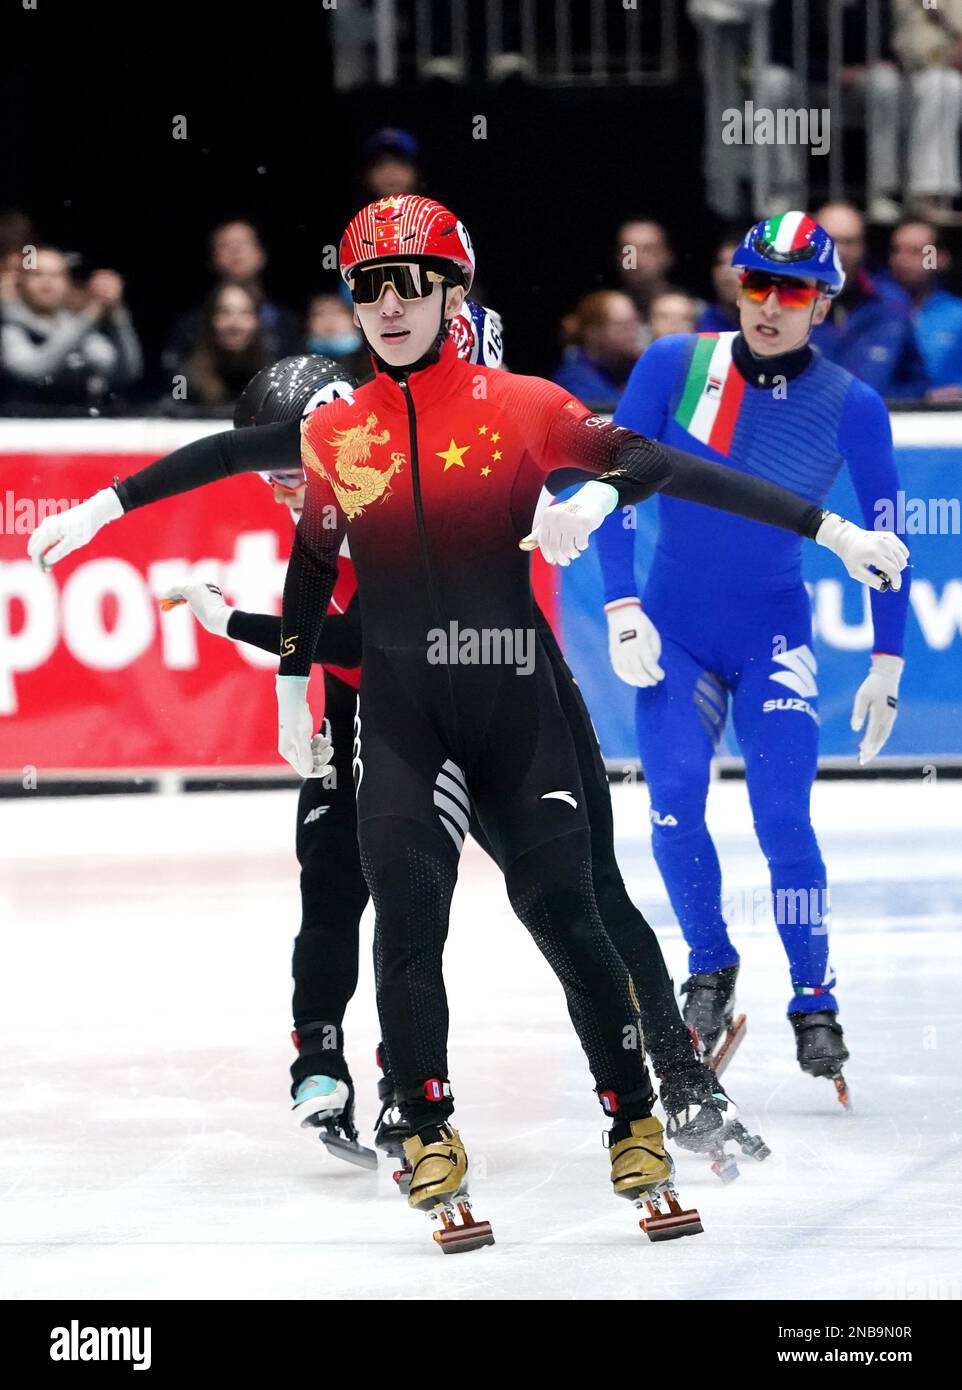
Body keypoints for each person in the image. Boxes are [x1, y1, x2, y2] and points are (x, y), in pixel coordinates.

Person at [272, 196, 904, 1241]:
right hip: (399, 705)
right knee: (403, 905)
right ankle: (409, 1104)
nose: (388, 305)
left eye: (410, 284)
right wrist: (302, 691)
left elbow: (654, 464)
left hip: (517, 685)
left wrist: (821, 529)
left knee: (577, 902)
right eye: (368, 287)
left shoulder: (514, 400)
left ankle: (658, 1091)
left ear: (452, 296)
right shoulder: (338, 431)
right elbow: (311, 582)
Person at [593, 211, 912, 1106]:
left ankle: (814, 996)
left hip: (774, 637)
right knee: (671, 807)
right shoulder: (671, 365)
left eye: (794, 291)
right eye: (757, 284)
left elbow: (884, 540)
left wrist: (889, 661)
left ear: (825, 304)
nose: (770, 306)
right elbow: (610, 478)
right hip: (676, 633)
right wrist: (620, 603)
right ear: (737, 285)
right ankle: (709, 965)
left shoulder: (854, 404)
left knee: (784, 820)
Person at [811, 203, 928, 400]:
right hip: (809, 427)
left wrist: (876, 407)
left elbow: (916, 385)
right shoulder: (787, 304)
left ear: (863, 247)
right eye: (830, 241)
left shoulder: (893, 306)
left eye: (849, 242)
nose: (840, 251)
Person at [1, 246, 143, 409]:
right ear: (21, 282)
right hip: (24, 425)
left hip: (80, 424)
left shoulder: (76, 325)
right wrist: (91, 314)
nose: (47, 281)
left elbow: (126, 372)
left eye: (55, 275)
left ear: (67, 282)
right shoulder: (10, 327)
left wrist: (117, 314)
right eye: (37, 274)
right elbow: (34, 371)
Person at [163, 221, 301, 371]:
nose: (235, 251)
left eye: (243, 243)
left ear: (261, 254)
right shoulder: (190, 327)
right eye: (224, 245)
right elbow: (175, 381)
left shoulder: (288, 323)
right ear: (212, 259)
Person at [878, 219, 962, 396]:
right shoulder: (871, 309)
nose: (902, 258)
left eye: (916, 251)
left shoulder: (958, 315)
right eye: (896, 250)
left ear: (940, 258)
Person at [168, 283, 270, 411]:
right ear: (211, 320)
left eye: (245, 314)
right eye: (224, 313)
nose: (234, 324)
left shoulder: (273, 379)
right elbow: (174, 412)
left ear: (257, 322)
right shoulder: (183, 378)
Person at [553, 291, 642, 406]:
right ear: (593, 333)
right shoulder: (573, 382)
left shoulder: (635, 366)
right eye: (622, 326)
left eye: (634, 322)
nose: (633, 333)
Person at [695, 236, 742, 333]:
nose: (725, 270)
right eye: (719, 263)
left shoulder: (769, 317)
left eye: (736, 263)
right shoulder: (698, 316)